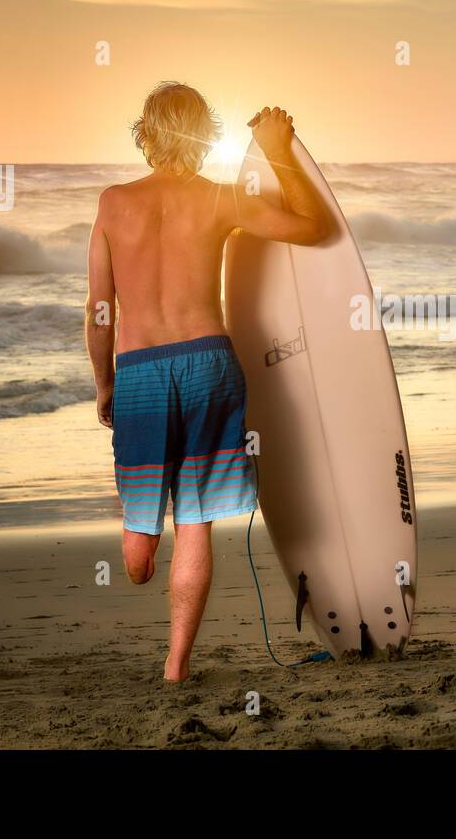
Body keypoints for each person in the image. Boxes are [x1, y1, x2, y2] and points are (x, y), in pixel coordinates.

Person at [85, 81, 327, 681]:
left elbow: (99, 311)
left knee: (140, 552)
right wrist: (278, 149)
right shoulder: (221, 200)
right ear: (204, 134)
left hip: (139, 373)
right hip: (209, 365)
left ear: (146, 133)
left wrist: (105, 385)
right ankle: (176, 665)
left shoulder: (113, 203)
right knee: (194, 521)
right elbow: (312, 226)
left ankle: (141, 548)